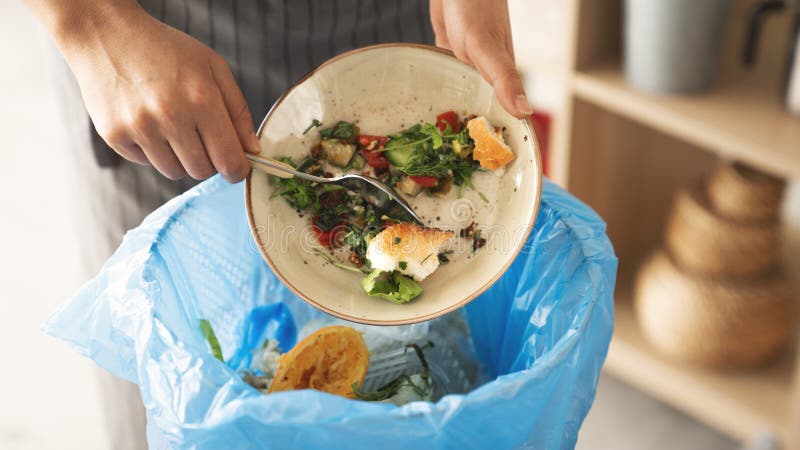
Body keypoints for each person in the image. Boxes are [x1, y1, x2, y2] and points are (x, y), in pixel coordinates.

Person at [24, 0, 531, 448]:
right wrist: (91, 23)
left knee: (395, 398)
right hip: (154, 50)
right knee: (173, 390)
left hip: (383, 38)